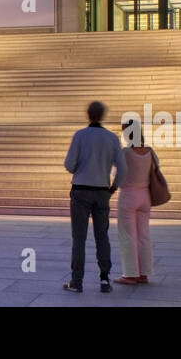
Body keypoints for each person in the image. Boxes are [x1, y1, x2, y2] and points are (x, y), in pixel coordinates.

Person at [62, 100, 126, 293]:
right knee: (102, 237)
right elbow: (122, 168)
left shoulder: (80, 135)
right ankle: (105, 279)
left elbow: (69, 165)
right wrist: (113, 188)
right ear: (103, 115)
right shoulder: (112, 138)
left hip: (81, 190)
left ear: (88, 114)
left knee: (79, 238)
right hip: (101, 191)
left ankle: (77, 281)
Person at [115, 118, 156, 285]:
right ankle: (144, 273)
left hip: (128, 196)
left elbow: (118, 174)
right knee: (144, 235)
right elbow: (154, 170)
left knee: (127, 236)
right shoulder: (150, 151)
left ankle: (130, 274)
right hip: (145, 196)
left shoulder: (126, 153)